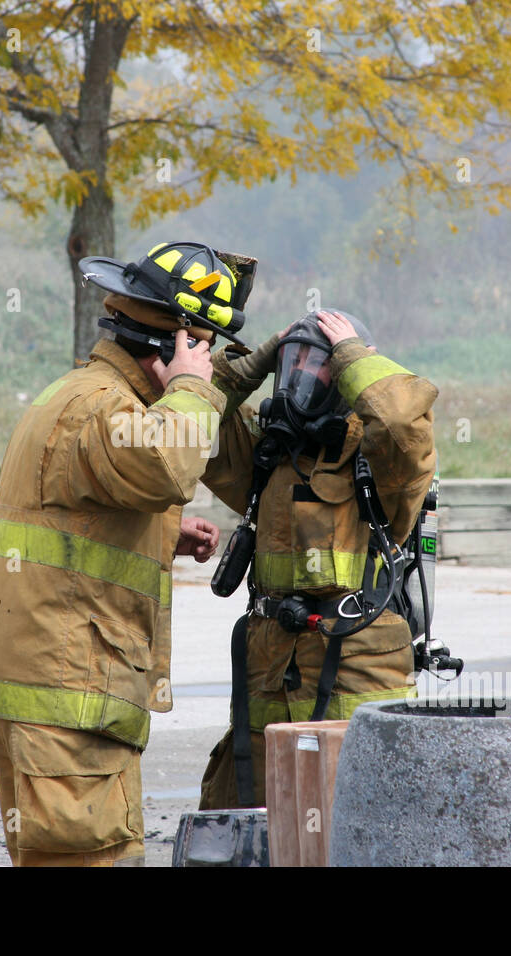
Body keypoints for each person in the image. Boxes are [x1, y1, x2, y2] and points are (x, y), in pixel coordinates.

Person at [0, 240, 253, 866]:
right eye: (201, 352)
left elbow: (74, 511)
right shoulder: (106, 410)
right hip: (69, 704)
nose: (204, 369)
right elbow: (167, 467)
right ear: (172, 350)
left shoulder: (79, 392)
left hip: (39, 687)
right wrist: (193, 390)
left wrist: (158, 534)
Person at [198, 309, 438, 809]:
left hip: (356, 666)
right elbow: (189, 420)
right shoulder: (269, 456)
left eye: (320, 363)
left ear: (347, 376)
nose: (303, 376)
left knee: (354, 818)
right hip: (268, 666)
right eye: (294, 361)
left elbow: (399, 420)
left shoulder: (381, 462)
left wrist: (354, 355)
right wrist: (256, 360)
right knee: (253, 818)